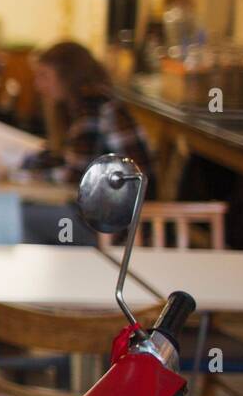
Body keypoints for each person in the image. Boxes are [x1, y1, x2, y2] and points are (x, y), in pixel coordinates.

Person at [20, 40, 152, 244]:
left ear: (67, 76)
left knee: (20, 217)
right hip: (107, 214)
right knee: (29, 213)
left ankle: (69, 267)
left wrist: (24, 176)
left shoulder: (92, 106)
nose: (38, 85)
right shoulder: (90, 101)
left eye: (44, 76)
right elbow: (65, 158)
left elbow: (73, 175)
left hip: (114, 224)